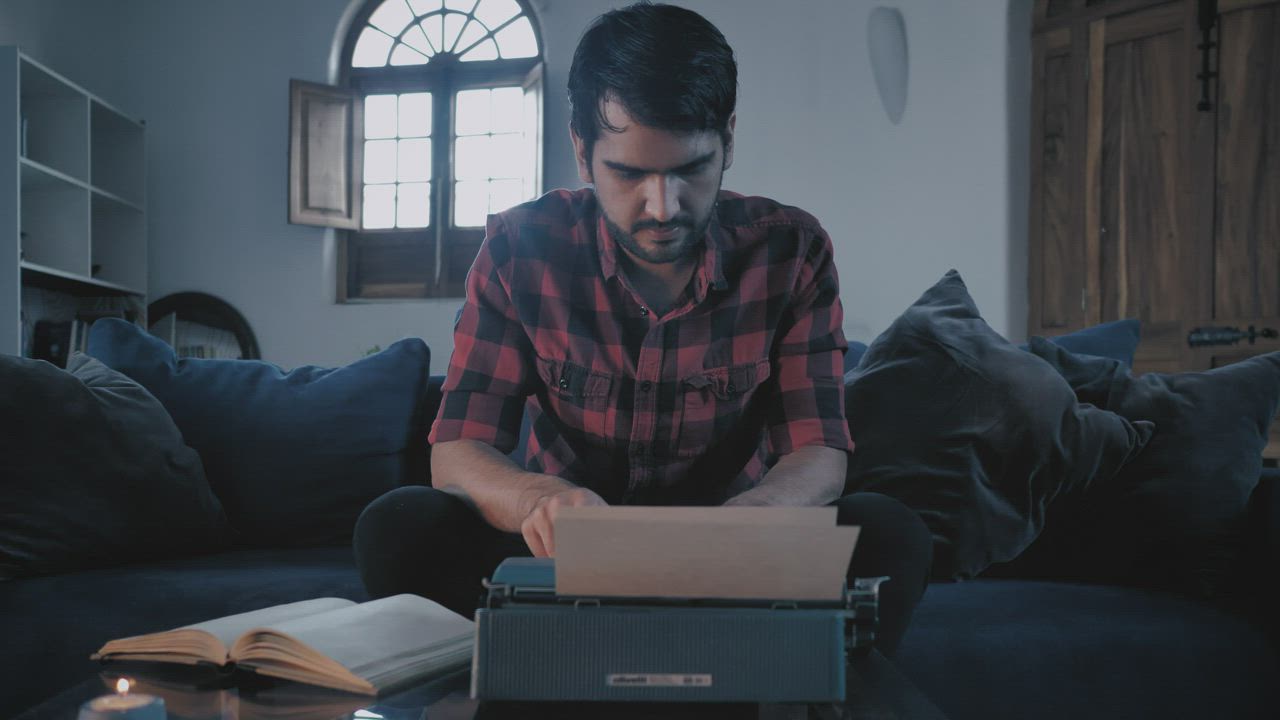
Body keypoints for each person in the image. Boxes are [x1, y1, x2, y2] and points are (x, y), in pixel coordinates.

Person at [354, 1, 931, 657]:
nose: (664, 207)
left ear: (730, 140)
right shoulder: (520, 248)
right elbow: (457, 450)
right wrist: (539, 499)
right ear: (581, 151)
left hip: (735, 563)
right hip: (559, 557)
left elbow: (819, 452)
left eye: (691, 169)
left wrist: (762, 515)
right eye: (629, 174)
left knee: (888, 533)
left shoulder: (791, 250)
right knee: (398, 525)